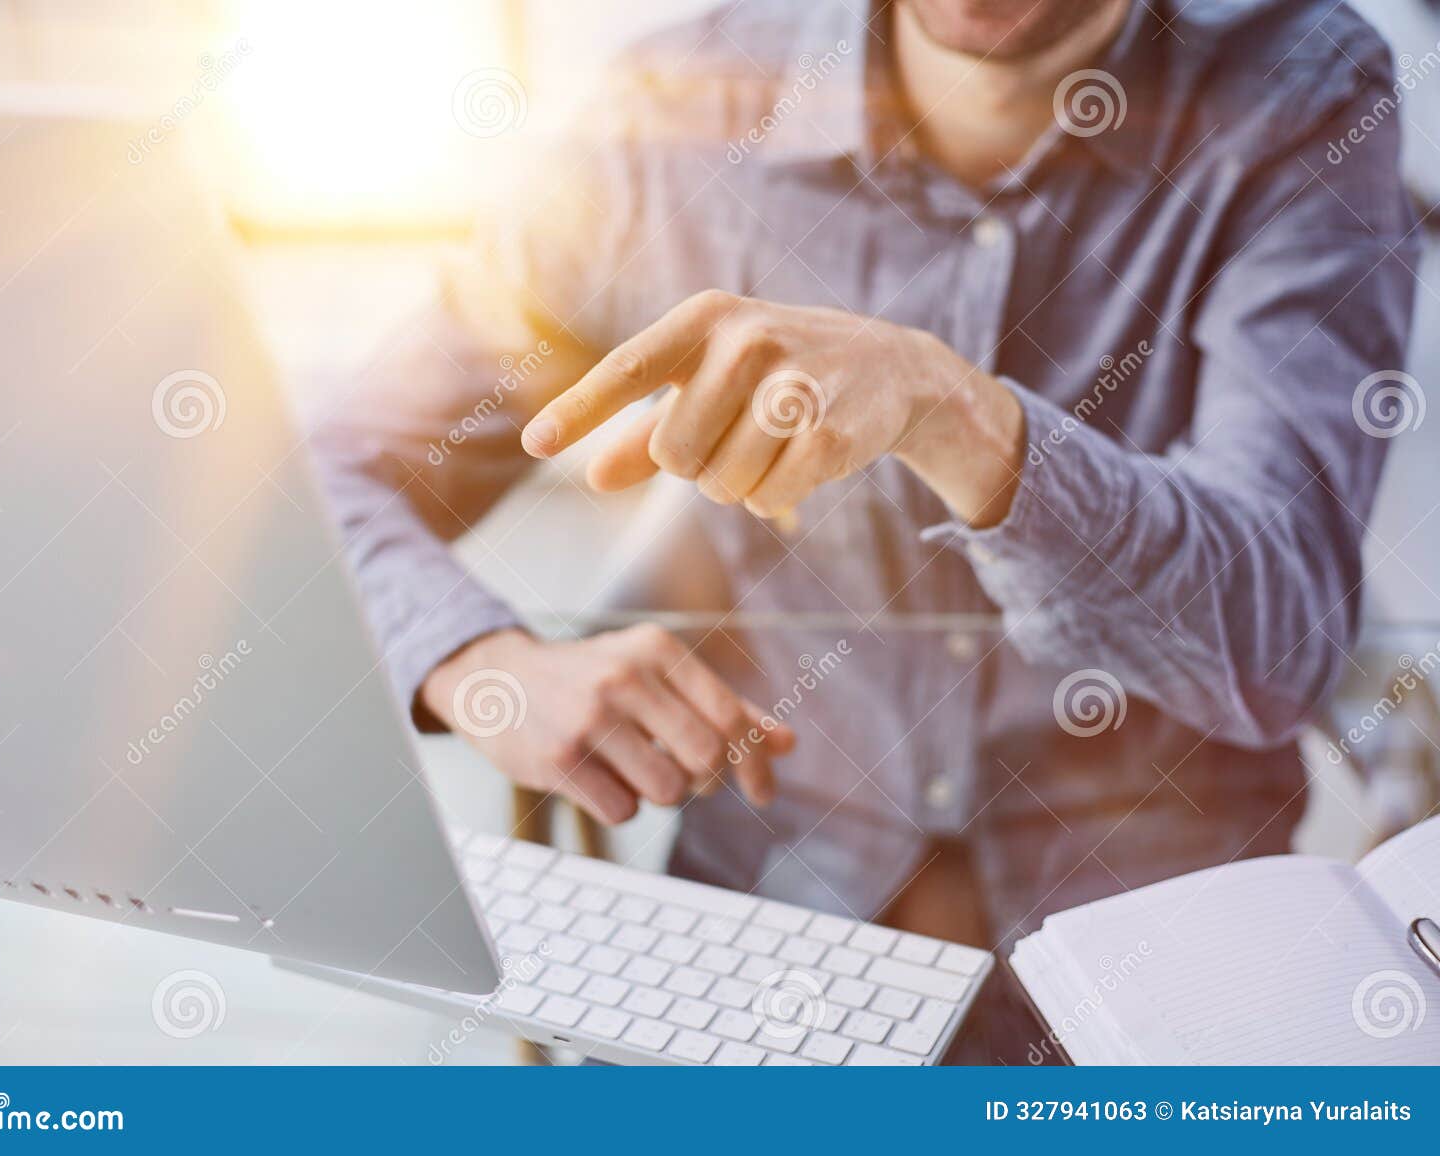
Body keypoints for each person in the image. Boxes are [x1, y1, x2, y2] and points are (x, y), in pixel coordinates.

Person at [311, 0, 1418, 1062]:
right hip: (766, 952)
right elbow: (336, 467)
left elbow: (1278, 643)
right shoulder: (676, 108)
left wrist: (958, 415)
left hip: (1158, 983)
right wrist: (480, 662)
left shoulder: (1302, 88)